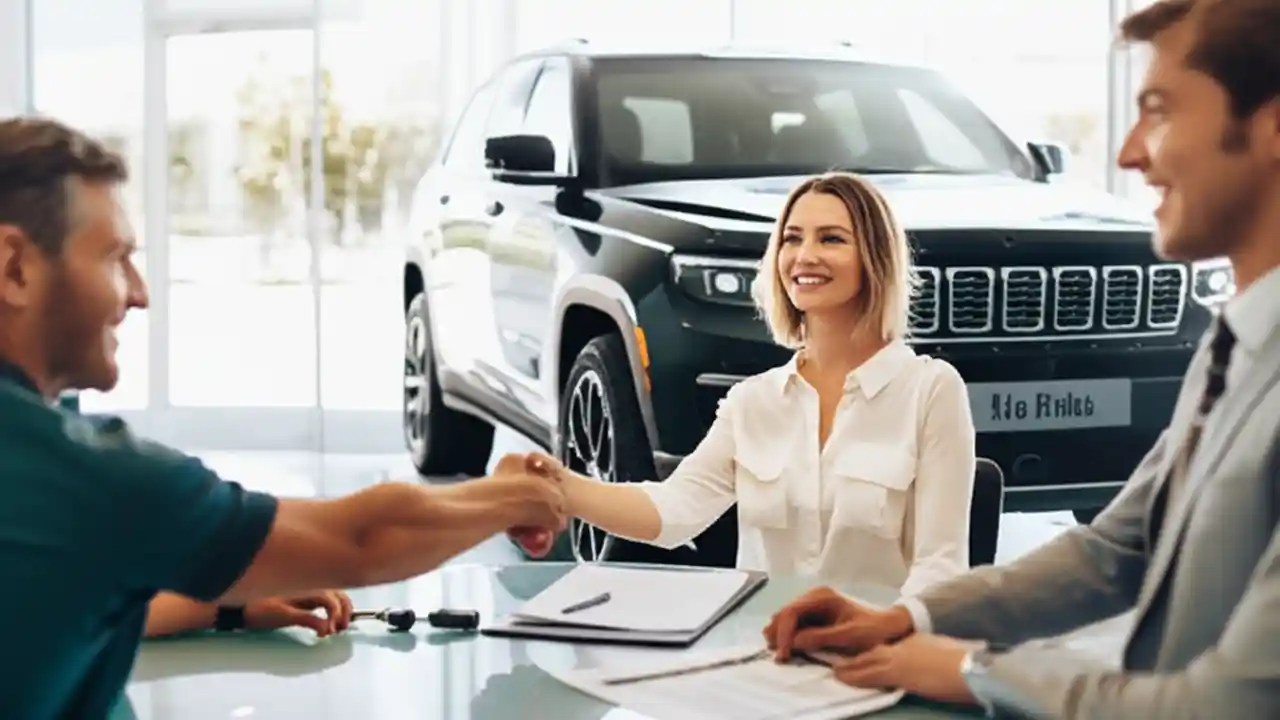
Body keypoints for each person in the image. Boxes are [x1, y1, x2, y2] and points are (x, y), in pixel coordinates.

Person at [763, 1, 1280, 717]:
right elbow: (1114, 551)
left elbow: (1224, 706)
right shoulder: (1234, 347)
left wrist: (974, 670)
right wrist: (908, 618)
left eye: (1159, 112)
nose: (1129, 153)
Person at [0, 116, 565, 719]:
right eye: (115, 258)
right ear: (14, 267)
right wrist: (513, 496)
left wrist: (227, 604)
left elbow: (59, 590)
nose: (138, 294)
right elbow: (361, 539)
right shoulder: (83, 476)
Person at [530, 172, 976, 594]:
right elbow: (674, 510)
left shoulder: (931, 391)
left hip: (876, 643)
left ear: (876, 259)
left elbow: (940, 567)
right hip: (766, 640)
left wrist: (882, 632)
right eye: (791, 239)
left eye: (832, 239)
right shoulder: (752, 401)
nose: (805, 256)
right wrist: (559, 487)